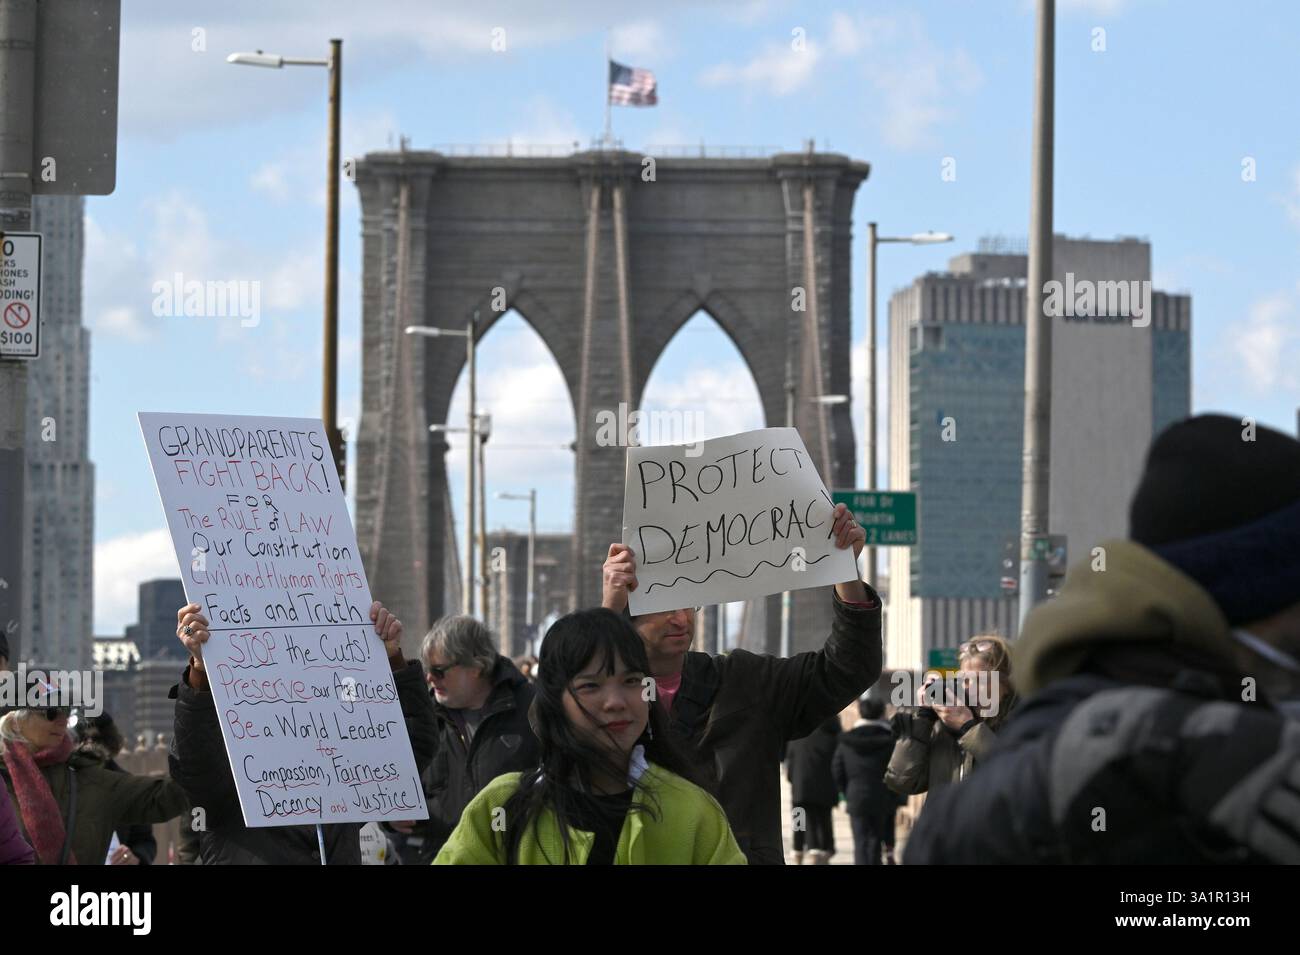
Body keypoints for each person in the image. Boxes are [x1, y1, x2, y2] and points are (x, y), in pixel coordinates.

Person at [905, 415, 1300, 864]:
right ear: (1257, 600)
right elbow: (935, 820)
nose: (971, 689)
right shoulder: (1081, 735)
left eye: (980, 679)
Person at [601, 502, 881, 864]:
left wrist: (845, 569)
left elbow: (849, 668)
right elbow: (547, 724)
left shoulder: (746, 681)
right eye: (663, 605)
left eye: (688, 603)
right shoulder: (601, 701)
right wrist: (606, 611)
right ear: (630, 613)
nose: (680, 618)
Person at [435, 608, 745, 864]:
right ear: (555, 702)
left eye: (632, 681)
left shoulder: (694, 812)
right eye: (590, 686)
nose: (615, 702)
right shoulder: (502, 807)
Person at [170, 600, 437, 865]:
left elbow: (412, 751)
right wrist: (201, 669)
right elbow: (196, 774)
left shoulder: (342, 745)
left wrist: (392, 659)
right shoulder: (224, 727)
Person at [392, 616, 541, 863]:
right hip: (436, 856)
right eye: (428, 670)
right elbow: (389, 777)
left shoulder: (532, 709)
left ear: (476, 666)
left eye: (438, 671)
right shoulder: (422, 716)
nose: (429, 678)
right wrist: (390, 817)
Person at [1, 687, 188, 865]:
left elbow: (165, 796)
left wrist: (197, 697)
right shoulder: (3, 779)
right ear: (14, 722)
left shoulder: (89, 777)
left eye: (65, 711)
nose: (62, 720)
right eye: (50, 712)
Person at [885, 635, 1016, 797]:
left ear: (1007, 685)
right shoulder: (947, 727)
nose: (969, 689)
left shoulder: (1023, 723)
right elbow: (902, 782)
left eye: (980, 681)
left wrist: (970, 729)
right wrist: (924, 718)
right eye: (964, 680)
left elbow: (1018, 780)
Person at [73, 711, 159, 865]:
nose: (90, 745)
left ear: (109, 741)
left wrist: (134, 857)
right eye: (84, 739)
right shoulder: (63, 782)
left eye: (97, 739)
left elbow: (146, 841)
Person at [834, 695, 903, 864]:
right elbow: (898, 770)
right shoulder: (891, 741)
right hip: (882, 797)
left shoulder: (846, 740)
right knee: (875, 842)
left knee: (860, 842)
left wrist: (846, 791)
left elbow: (837, 769)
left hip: (856, 796)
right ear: (881, 714)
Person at [785, 716, 841, 864]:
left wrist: (794, 780)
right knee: (822, 820)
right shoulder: (834, 737)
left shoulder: (797, 737)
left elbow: (789, 767)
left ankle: (798, 850)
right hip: (825, 789)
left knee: (799, 820)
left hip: (800, 788)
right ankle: (821, 851)